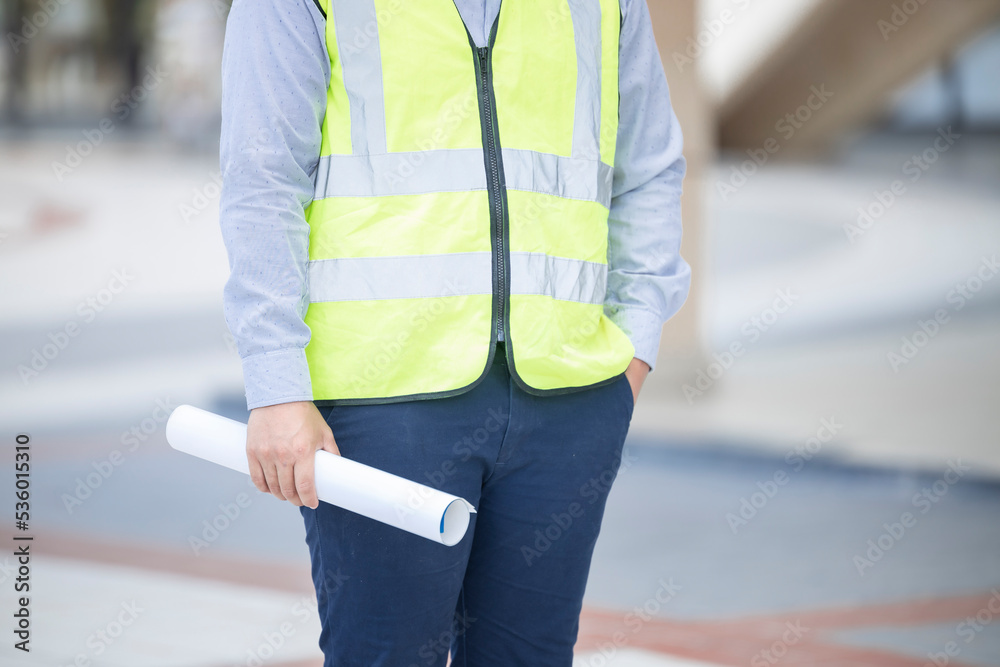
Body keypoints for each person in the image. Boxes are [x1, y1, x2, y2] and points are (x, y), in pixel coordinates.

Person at [219, 0, 690, 664]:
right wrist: (276, 385)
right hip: (384, 404)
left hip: (570, 400)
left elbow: (649, 170)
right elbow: (262, 180)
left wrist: (634, 349)